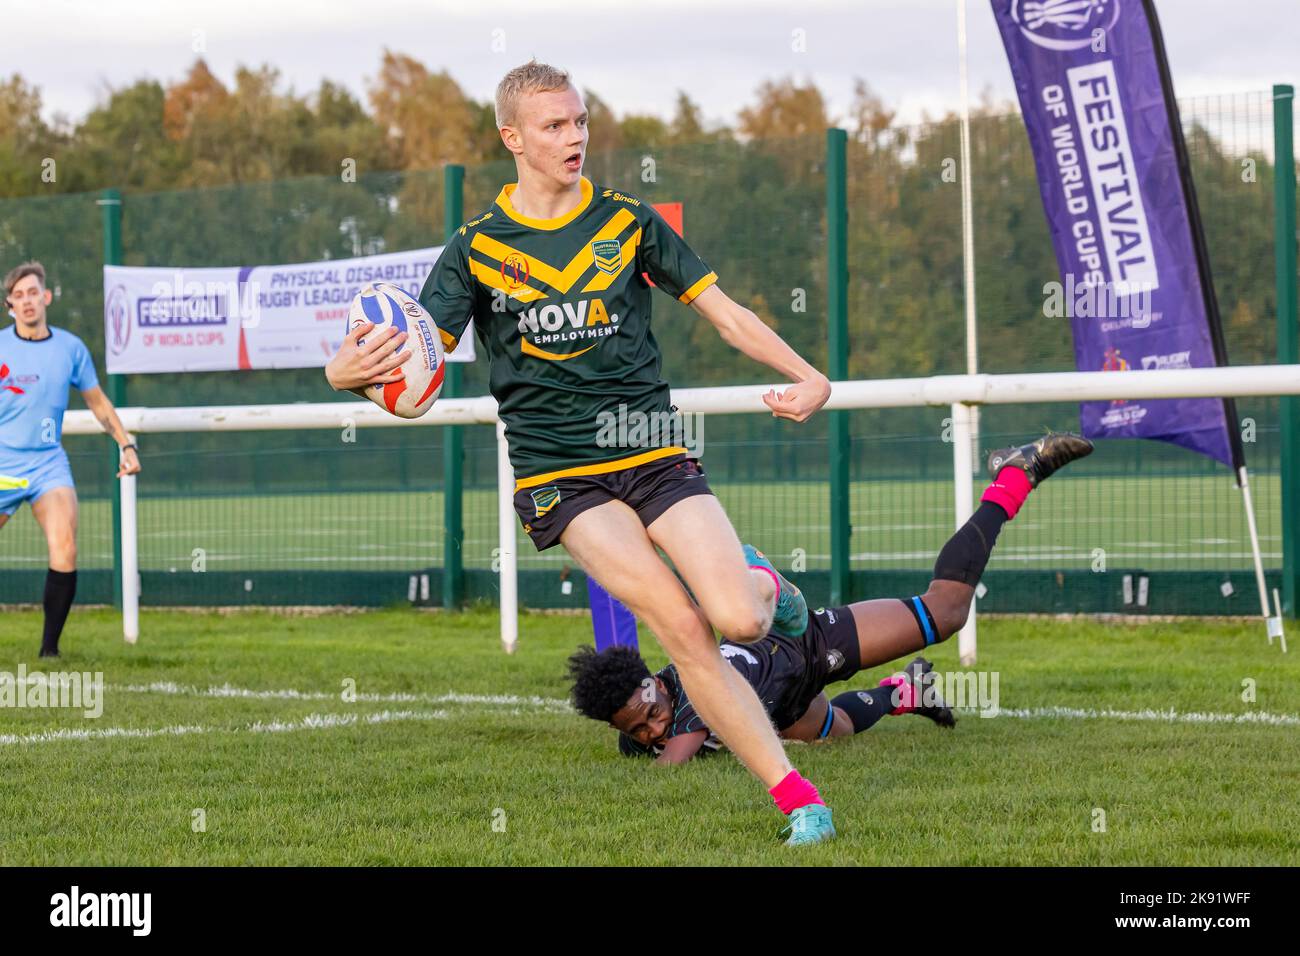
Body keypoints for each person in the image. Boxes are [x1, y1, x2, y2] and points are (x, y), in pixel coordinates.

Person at [325, 61, 838, 844]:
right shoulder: (475, 250)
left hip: (649, 447)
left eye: (580, 121)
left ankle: (763, 582)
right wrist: (344, 374)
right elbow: (413, 376)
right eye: (555, 126)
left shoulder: (629, 221)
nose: (575, 137)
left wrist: (809, 376)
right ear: (513, 138)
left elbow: (727, 315)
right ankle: (798, 798)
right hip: (558, 474)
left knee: (739, 617)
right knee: (680, 627)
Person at [567, 432, 1093, 774]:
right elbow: (649, 742)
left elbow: (673, 765)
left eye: (652, 715)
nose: (653, 731)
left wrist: (655, 747)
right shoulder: (647, 722)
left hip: (804, 640)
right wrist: (631, 736)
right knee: (835, 731)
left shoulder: (691, 703)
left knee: (948, 611)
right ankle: (907, 692)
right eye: (638, 730)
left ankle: (1013, 476)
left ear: (656, 683)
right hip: (785, 702)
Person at [0, 261, 141, 657]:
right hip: (2, 463)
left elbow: (97, 403)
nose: (27, 301)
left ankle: (49, 650)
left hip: (47, 465)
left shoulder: (70, 348)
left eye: (33, 293)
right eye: (18, 296)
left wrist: (125, 444)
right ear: (9, 305)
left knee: (65, 549)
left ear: (45, 298)